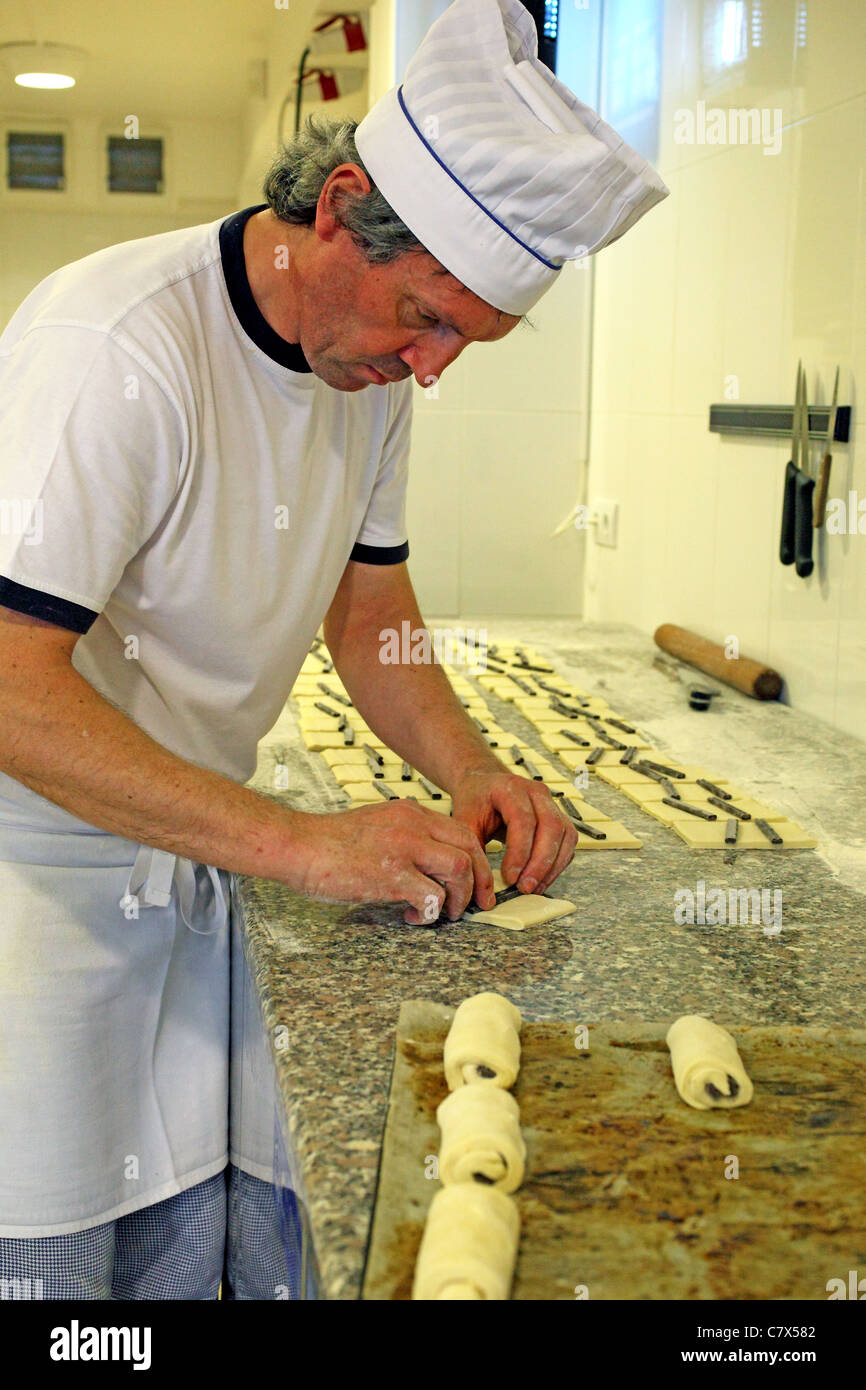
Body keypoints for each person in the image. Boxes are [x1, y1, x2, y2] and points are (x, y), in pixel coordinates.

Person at [0, 0, 667, 1298]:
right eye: (426, 316)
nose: (431, 368)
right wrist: (302, 841)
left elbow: (372, 619)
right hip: (35, 916)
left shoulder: (363, 371)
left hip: (195, 869)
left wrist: (468, 766)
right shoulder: (117, 347)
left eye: (465, 340)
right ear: (339, 205)